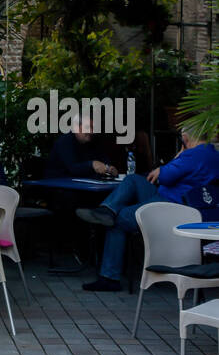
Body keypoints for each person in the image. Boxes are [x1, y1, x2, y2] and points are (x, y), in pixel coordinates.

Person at [78, 127, 219, 291]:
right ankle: (106, 210)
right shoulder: (213, 154)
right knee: (133, 180)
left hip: (171, 207)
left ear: (185, 139)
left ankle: (109, 277)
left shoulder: (192, 154)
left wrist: (179, 153)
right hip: (183, 205)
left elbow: (165, 177)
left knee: (120, 219)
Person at [45, 114, 118, 180]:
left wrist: (109, 168)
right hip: (58, 186)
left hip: (83, 185)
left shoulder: (93, 141)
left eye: (93, 128)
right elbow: (73, 168)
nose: (91, 131)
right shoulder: (65, 141)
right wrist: (92, 164)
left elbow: (104, 159)